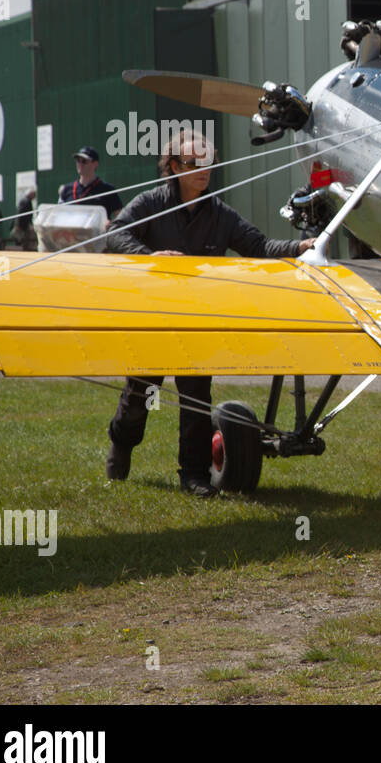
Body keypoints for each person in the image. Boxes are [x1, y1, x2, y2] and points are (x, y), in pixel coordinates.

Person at [104, 130, 316, 496]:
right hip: (153, 317)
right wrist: (149, 257)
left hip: (196, 319)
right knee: (141, 394)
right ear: (174, 167)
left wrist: (300, 247)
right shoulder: (151, 203)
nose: (203, 170)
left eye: (208, 162)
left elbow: (259, 246)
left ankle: (194, 475)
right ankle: (121, 447)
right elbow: (115, 233)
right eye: (193, 163)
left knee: (197, 399)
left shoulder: (220, 214)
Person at [59, 145, 123, 221]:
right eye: (78, 160)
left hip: (98, 229)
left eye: (84, 161)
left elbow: (120, 217)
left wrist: (110, 224)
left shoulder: (107, 190)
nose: (80, 164)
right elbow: (58, 215)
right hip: (71, 228)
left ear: (95, 164)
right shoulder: (66, 189)